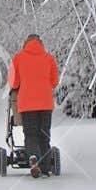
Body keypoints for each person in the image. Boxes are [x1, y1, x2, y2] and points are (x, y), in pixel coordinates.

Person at [8, 34, 59, 178]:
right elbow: (54, 82)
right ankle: (45, 167)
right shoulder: (49, 58)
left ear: (26, 44)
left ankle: (33, 157)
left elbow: (14, 83)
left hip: (27, 104)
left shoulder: (18, 58)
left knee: (31, 134)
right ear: (40, 44)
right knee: (44, 134)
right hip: (45, 103)